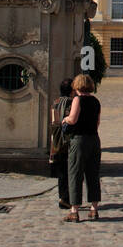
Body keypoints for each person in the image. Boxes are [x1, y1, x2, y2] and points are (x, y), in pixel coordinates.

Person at [61, 73, 102, 222]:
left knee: (75, 174)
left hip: (79, 140)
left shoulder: (78, 99)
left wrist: (65, 119)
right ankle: (94, 209)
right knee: (93, 174)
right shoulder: (96, 101)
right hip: (94, 139)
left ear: (77, 86)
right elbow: (97, 122)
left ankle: (74, 211)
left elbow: (73, 119)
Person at [50, 77, 74, 211]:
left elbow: (54, 121)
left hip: (56, 141)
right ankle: (67, 198)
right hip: (68, 141)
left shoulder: (55, 102)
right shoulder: (72, 103)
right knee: (69, 171)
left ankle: (62, 197)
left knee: (61, 172)